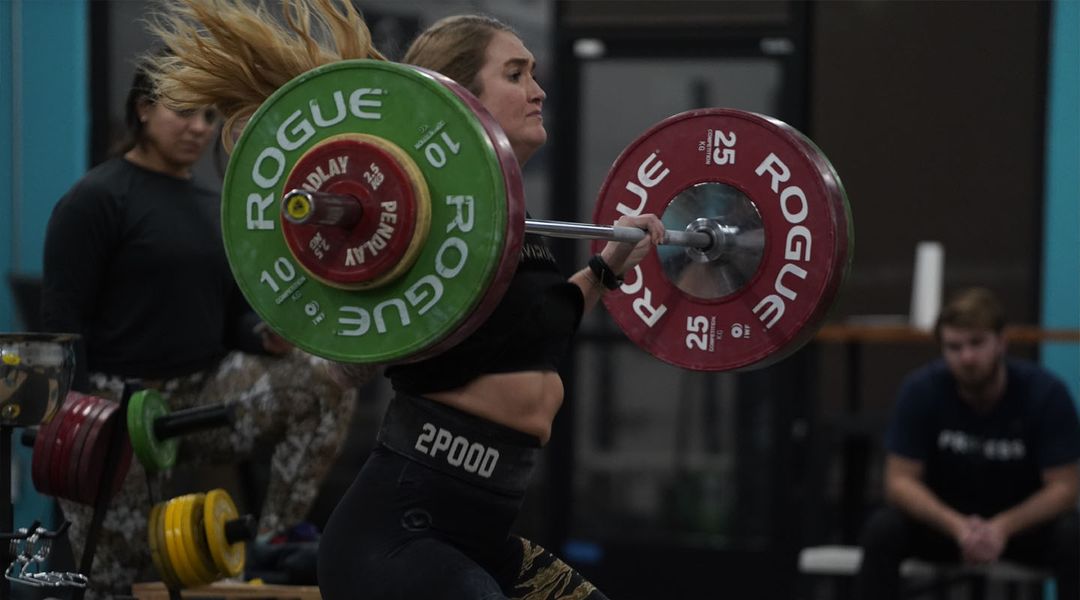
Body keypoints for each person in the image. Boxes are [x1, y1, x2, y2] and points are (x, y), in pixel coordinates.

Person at [147, 2, 664, 598]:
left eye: (534, 74)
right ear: (460, 96)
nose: (538, 90)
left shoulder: (506, 225)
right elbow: (351, 357)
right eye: (516, 74)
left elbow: (540, 327)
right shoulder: (420, 230)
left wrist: (606, 268)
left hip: (479, 532)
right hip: (401, 538)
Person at [40, 49, 368, 597]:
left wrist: (259, 336)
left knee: (324, 378)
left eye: (208, 117)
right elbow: (61, 324)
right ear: (144, 109)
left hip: (201, 399)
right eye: (183, 112)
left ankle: (273, 542)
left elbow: (230, 317)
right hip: (117, 408)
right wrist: (80, 425)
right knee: (112, 582)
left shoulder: (214, 207)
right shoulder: (96, 199)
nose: (198, 128)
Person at [855, 287, 1080, 600]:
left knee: (1073, 534)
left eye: (976, 343)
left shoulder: (1045, 394)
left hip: (1020, 530)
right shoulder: (921, 390)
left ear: (1001, 342)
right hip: (946, 527)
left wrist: (1001, 527)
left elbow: (1065, 488)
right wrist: (958, 528)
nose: (967, 357)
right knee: (882, 529)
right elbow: (899, 481)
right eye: (954, 347)